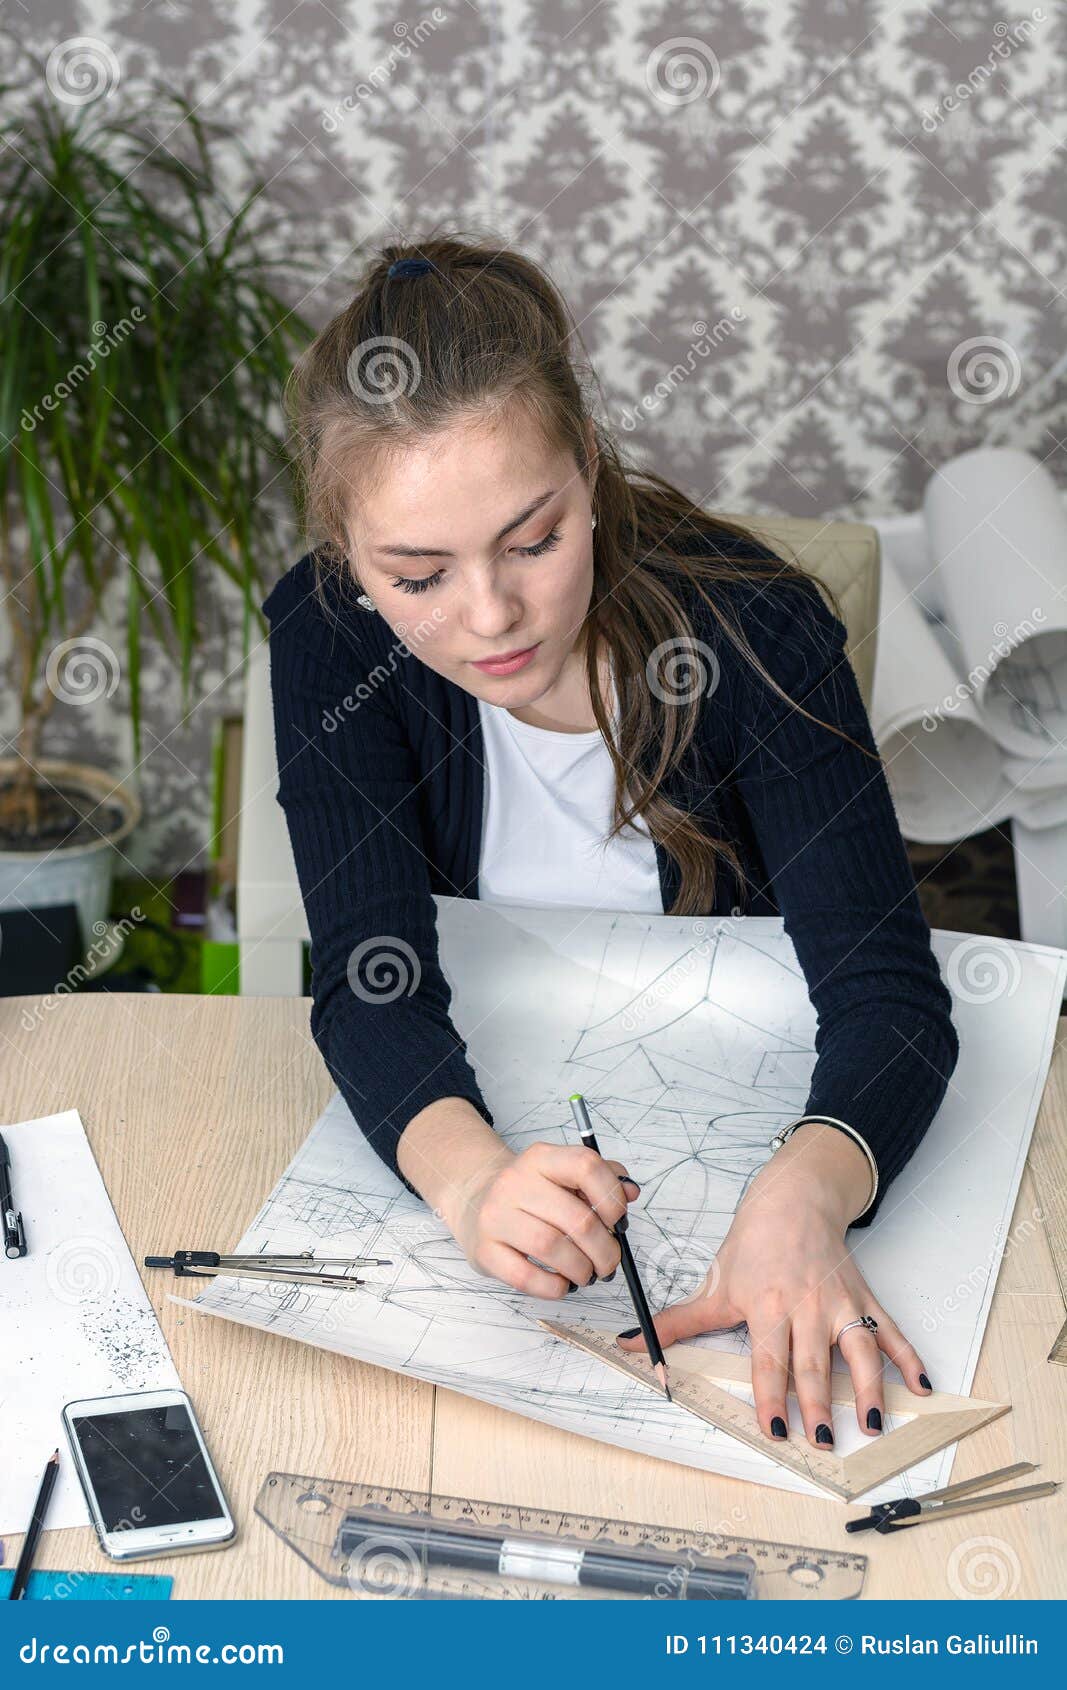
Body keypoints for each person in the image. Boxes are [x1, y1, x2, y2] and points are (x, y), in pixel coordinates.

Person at [264, 231, 958, 1454]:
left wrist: (806, 1196)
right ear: (348, 556)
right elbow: (369, 980)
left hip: (749, 1113)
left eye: (533, 541)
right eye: (417, 577)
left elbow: (889, 998)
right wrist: (472, 1182)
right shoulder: (330, 640)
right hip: (503, 1109)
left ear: (587, 467)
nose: (490, 617)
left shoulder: (756, 633)